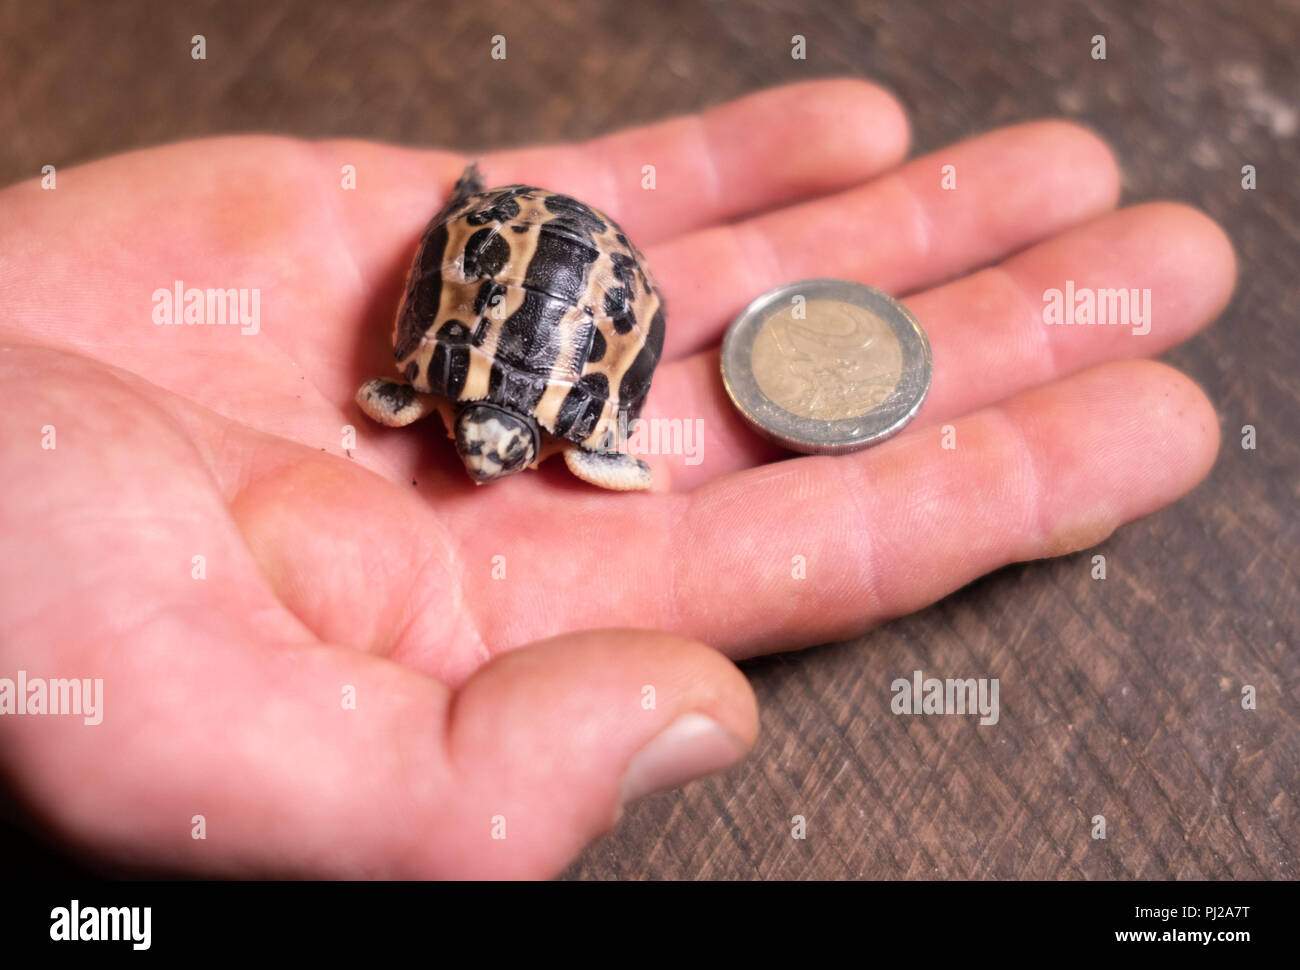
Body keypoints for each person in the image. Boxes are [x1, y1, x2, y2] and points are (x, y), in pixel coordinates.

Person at [0, 80, 1233, 878]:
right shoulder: (426, 389)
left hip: (568, 270)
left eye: (501, 446)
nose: (484, 462)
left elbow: (432, 367)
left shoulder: (438, 393)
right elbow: (414, 364)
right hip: (542, 267)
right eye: (488, 444)